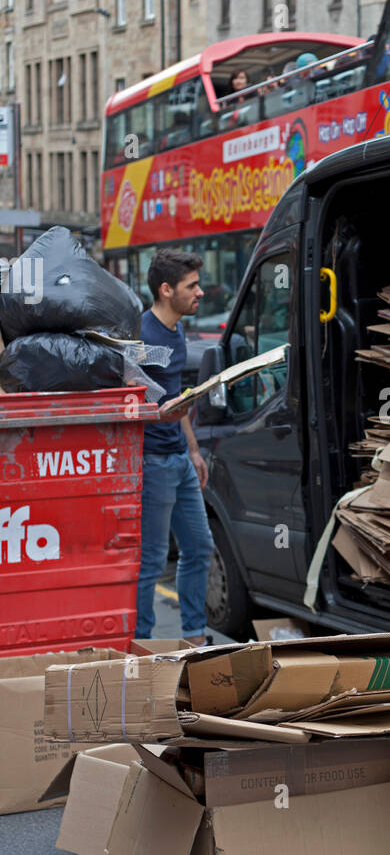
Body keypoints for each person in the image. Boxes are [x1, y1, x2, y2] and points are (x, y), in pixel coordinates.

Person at [135, 250, 214, 646]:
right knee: (150, 561)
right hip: (152, 462)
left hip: (179, 458)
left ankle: (195, 637)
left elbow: (175, 397)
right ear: (167, 290)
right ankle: (142, 644)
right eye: (191, 286)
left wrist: (194, 449)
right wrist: (157, 416)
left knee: (200, 547)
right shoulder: (141, 335)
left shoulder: (178, 331)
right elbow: (127, 403)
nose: (200, 291)